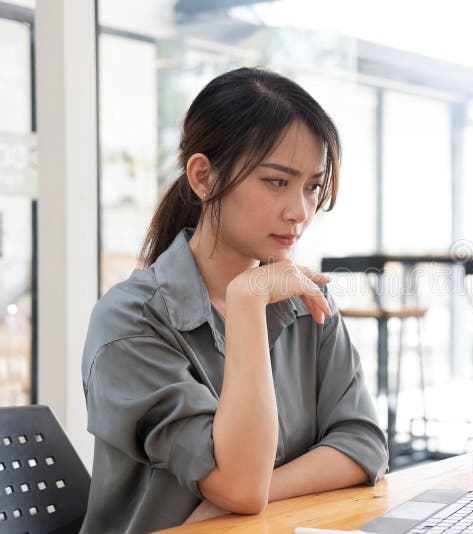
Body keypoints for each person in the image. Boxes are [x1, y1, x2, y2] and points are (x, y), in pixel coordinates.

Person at [80, 67, 388, 533]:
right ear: (204, 177)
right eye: (276, 181)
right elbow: (239, 485)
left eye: (311, 186)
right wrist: (247, 302)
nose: (300, 212)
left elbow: (363, 443)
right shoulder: (128, 323)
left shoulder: (306, 300)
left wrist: (265, 492)